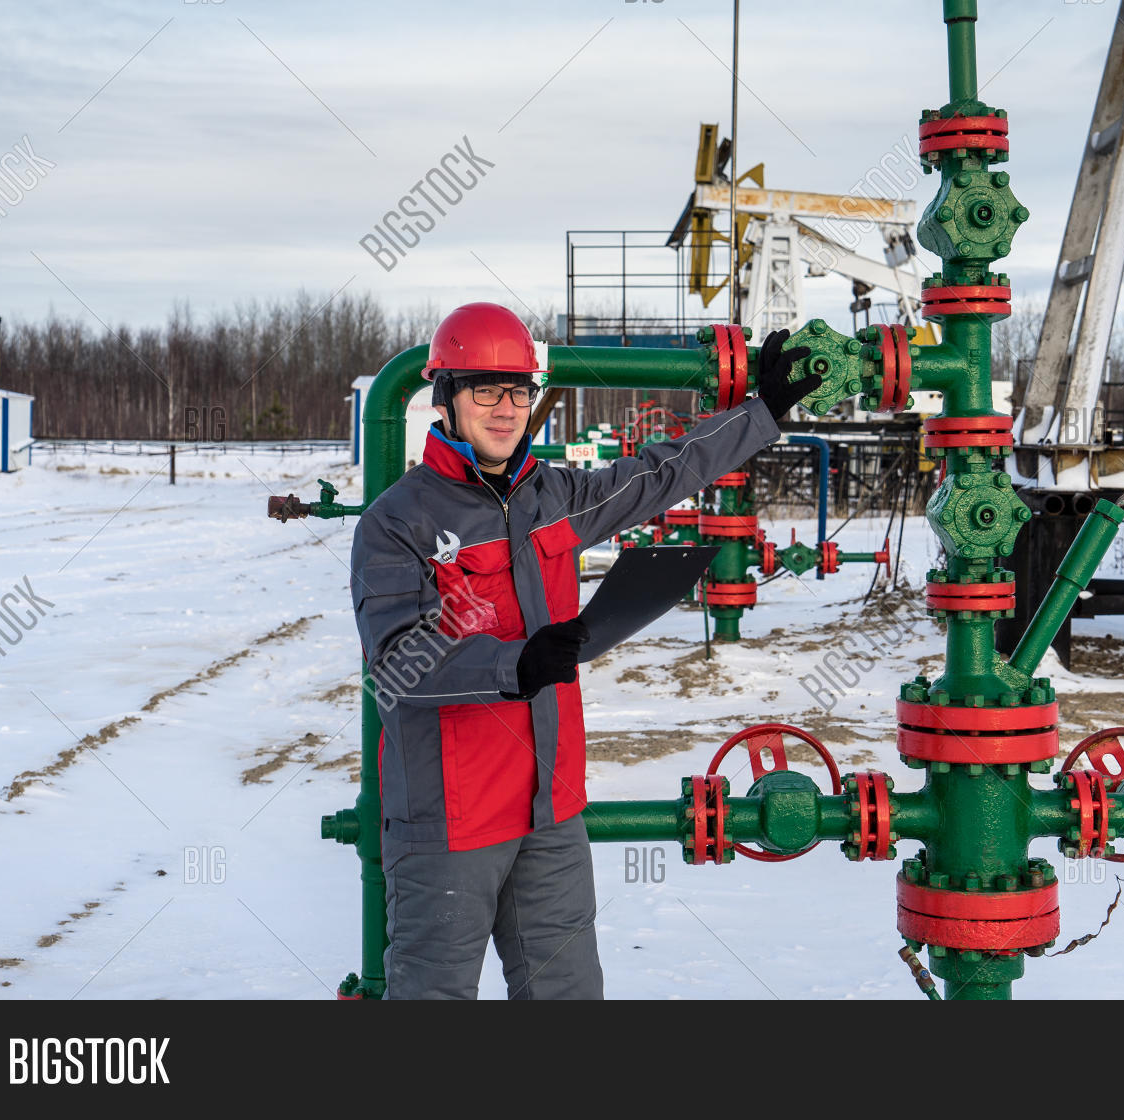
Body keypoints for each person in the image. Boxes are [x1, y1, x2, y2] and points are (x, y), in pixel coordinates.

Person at [349, 302, 817, 999]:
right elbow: (397, 662)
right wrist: (515, 664)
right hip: (451, 821)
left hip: (550, 811)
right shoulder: (399, 522)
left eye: (518, 391)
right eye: (485, 389)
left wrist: (763, 413)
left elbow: (661, 473)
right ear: (444, 397)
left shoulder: (553, 495)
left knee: (568, 996)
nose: (505, 409)